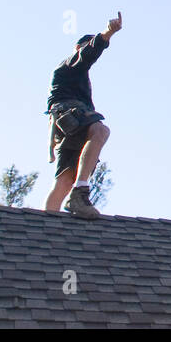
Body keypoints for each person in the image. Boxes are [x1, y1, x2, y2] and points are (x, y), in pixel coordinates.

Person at [44, 12, 122, 219]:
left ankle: (43, 223)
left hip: (66, 123)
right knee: (100, 130)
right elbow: (88, 54)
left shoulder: (74, 76)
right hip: (69, 113)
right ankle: (80, 192)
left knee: (65, 179)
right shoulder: (69, 65)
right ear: (79, 49)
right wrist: (108, 33)